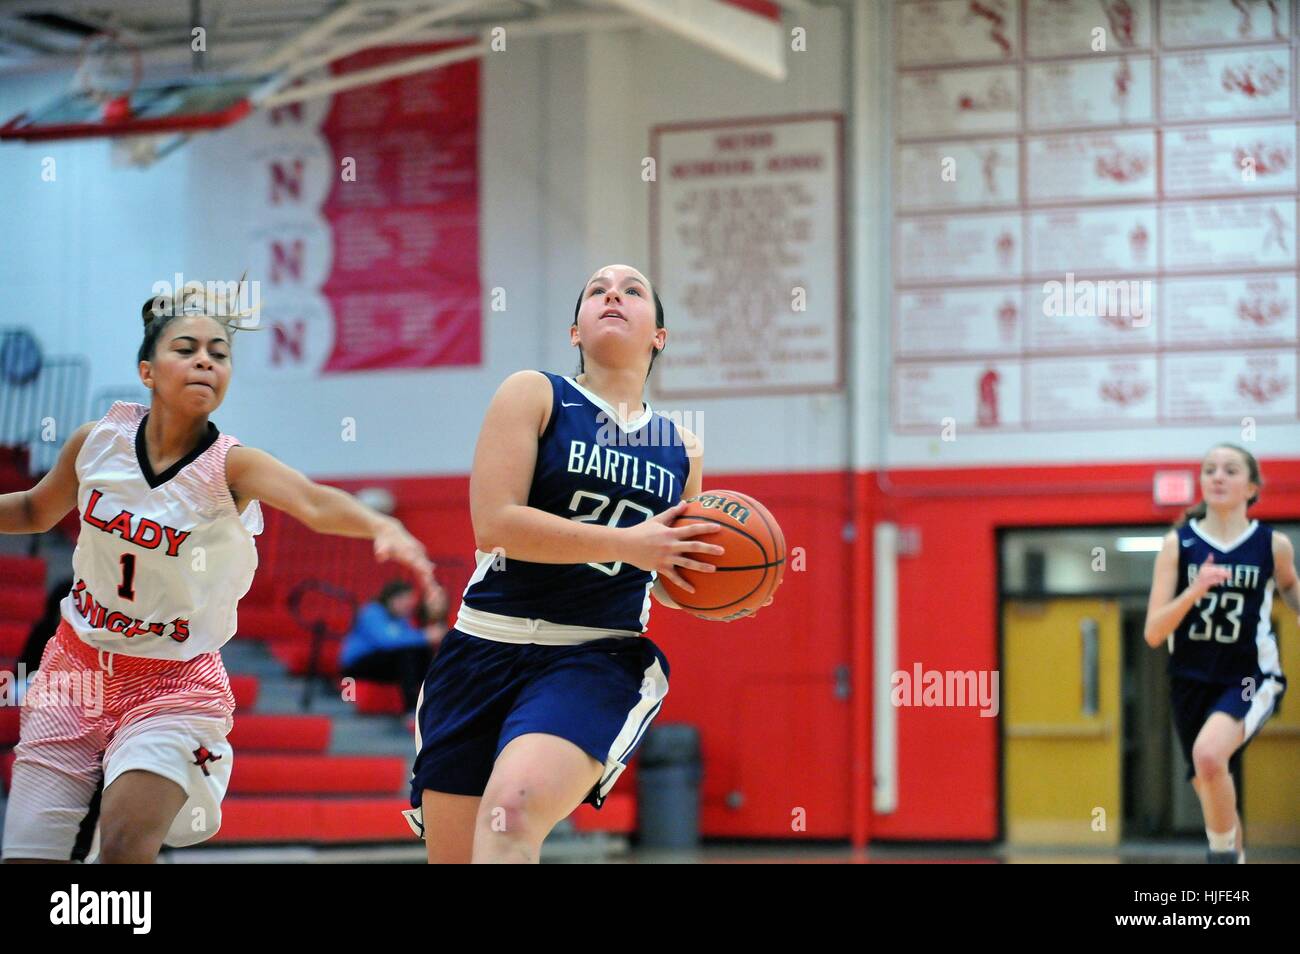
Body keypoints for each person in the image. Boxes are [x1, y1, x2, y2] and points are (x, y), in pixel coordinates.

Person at [0, 282, 432, 864]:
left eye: (219, 353)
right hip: (73, 670)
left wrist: (382, 527)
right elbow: (33, 509)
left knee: (124, 849)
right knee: (28, 857)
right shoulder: (96, 443)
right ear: (147, 371)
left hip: (171, 684)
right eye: (187, 347)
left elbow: (313, 501)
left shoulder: (232, 465)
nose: (206, 359)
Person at [407, 263, 769, 864]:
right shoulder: (535, 393)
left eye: (632, 292)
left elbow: (666, 571)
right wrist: (630, 543)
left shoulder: (681, 447)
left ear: (659, 335)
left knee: (513, 812)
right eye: (597, 291)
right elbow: (495, 526)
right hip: (481, 650)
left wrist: (728, 595)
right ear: (575, 331)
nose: (613, 296)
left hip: (594, 654)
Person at [1143, 443, 1297, 863]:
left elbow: (1288, 586)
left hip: (1249, 676)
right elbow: (1154, 633)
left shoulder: (1273, 544)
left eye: (1230, 470)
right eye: (1209, 469)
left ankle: (1222, 862)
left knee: (1209, 756)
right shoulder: (1179, 544)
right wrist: (1194, 590)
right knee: (1210, 781)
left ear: (1252, 487)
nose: (1217, 476)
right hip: (1190, 681)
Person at [340, 579, 445, 712]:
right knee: (407, 654)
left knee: (422, 653)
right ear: (394, 599)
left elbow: (407, 639)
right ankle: (412, 709)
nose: (409, 608)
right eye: (406, 604)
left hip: (385, 664)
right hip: (356, 666)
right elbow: (386, 641)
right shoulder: (372, 612)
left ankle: (435, 701)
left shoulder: (401, 619)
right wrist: (425, 636)